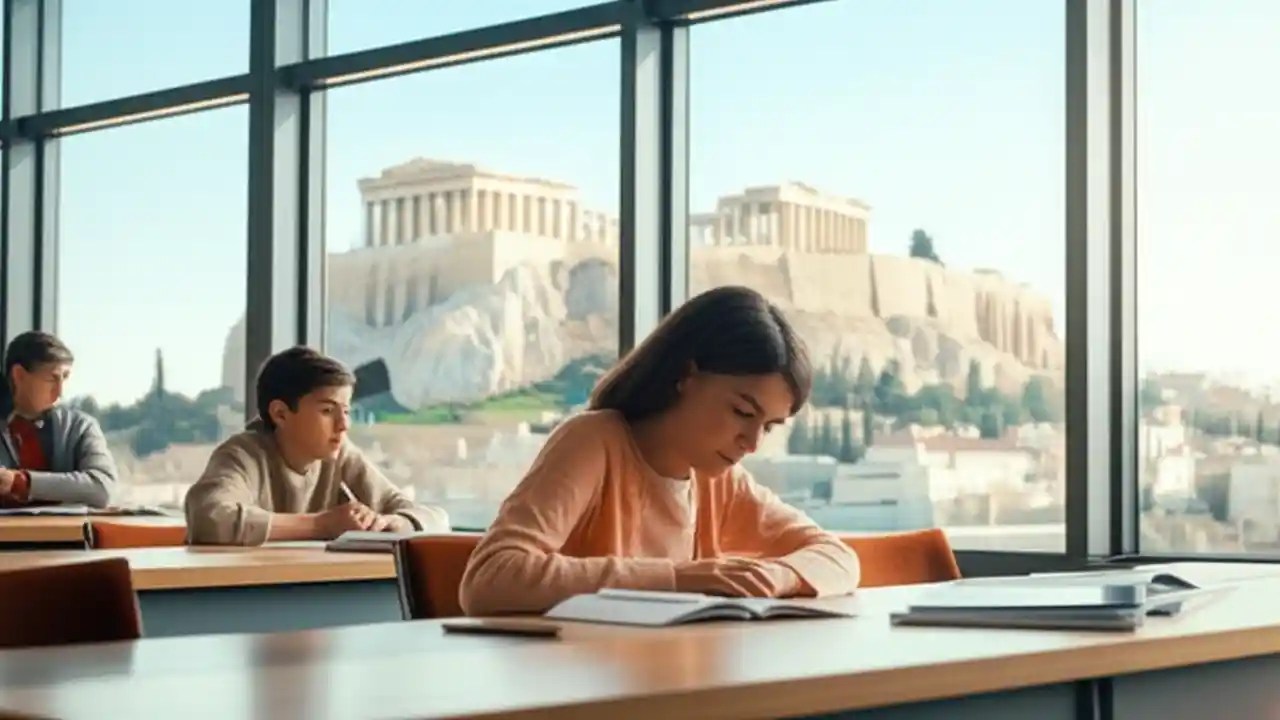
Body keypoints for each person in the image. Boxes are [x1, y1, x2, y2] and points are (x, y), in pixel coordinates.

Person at [459, 286, 860, 616]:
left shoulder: (720, 481)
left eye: (769, 427)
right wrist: (677, 578)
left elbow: (838, 557)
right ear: (686, 374)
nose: (752, 443)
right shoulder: (594, 441)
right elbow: (490, 578)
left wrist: (780, 577)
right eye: (742, 412)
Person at [184, 346, 449, 545]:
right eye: (327, 411)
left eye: (346, 411)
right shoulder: (243, 455)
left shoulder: (340, 453)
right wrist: (321, 525)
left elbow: (436, 518)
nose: (343, 425)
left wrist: (393, 523)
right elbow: (209, 519)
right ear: (281, 414)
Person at [0, 332, 117, 509]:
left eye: (65, 377)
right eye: (52, 378)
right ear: (19, 375)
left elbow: (103, 487)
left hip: (66, 536)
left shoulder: (80, 427)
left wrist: (22, 483)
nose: (60, 392)